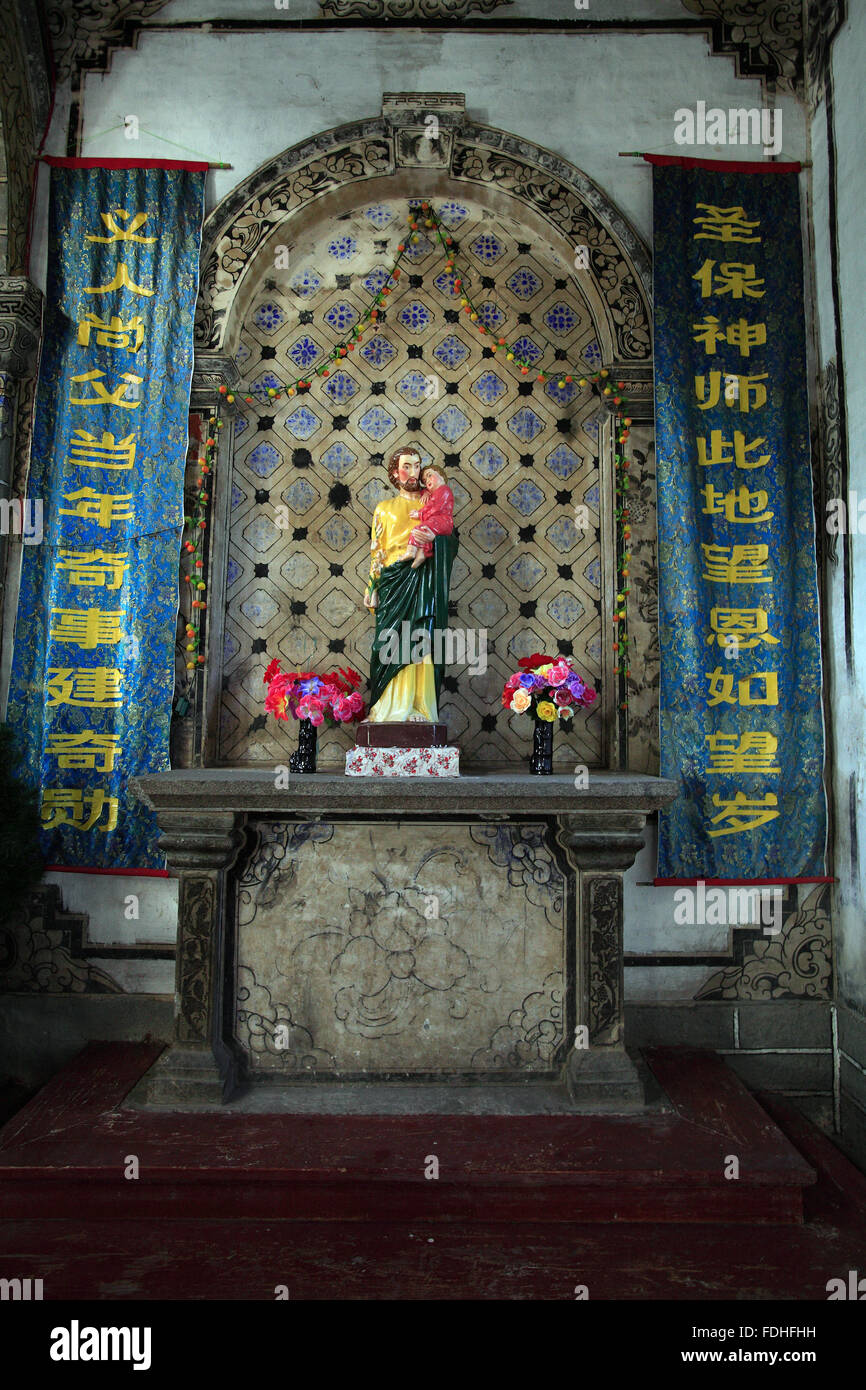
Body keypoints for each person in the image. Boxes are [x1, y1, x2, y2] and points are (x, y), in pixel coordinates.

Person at [363, 447, 458, 723]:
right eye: (407, 466)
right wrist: (372, 587)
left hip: (424, 579)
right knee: (388, 643)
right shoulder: (384, 509)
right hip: (393, 580)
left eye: (417, 466)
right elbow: (377, 550)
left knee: (421, 640)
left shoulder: (432, 501)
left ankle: (419, 706)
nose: (414, 472)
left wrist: (438, 540)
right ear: (395, 473)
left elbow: (449, 536)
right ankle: (384, 708)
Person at [401, 464, 454, 569]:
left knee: (419, 529)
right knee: (423, 530)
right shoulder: (433, 493)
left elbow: (436, 508)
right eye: (424, 481)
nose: (427, 481)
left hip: (442, 521)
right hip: (438, 521)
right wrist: (426, 493)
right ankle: (421, 554)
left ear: (442, 476)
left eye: (430, 475)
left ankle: (411, 552)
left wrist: (420, 514)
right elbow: (426, 491)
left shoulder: (444, 490)